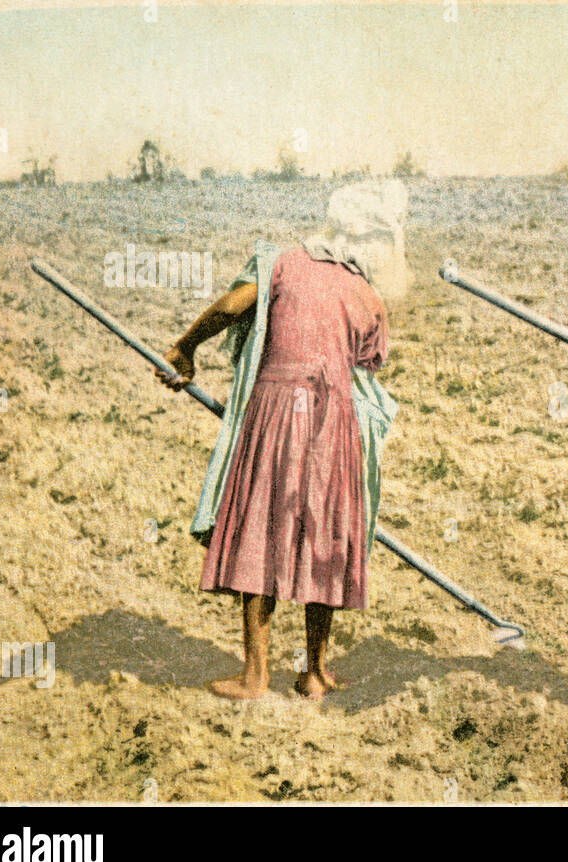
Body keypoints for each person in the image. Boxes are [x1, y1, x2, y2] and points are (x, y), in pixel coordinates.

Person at [157, 181, 409, 700]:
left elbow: (232, 307)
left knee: (261, 527)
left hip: (275, 411)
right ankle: (315, 672)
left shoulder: (283, 263)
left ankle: (255, 674)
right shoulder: (368, 295)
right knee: (324, 534)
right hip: (331, 424)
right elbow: (366, 365)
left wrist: (186, 347)